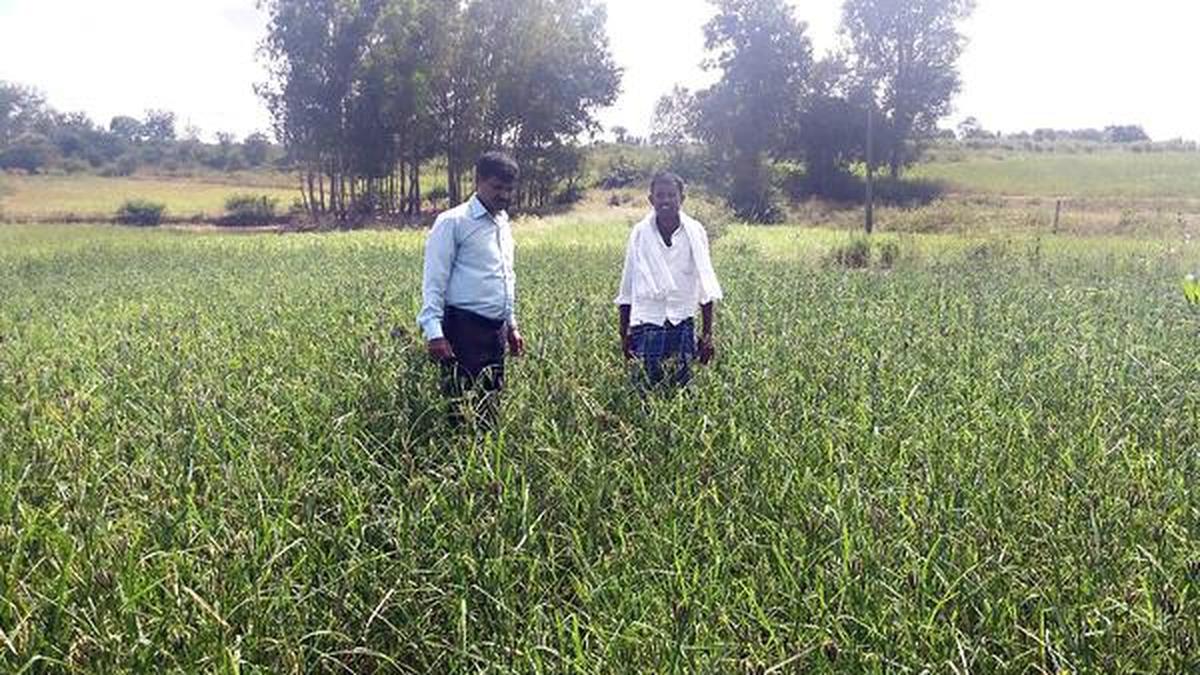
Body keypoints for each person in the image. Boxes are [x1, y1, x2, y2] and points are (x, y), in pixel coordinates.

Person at [417, 151, 525, 423]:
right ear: (478, 181)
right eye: (497, 187)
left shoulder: (502, 223)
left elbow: (506, 276)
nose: (503, 195)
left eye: (509, 189)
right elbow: (434, 280)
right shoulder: (453, 221)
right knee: (461, 412)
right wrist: (434, 333)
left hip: (495, 331)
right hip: (463, 329)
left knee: (490, 410)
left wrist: (511, 325)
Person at [615, 171, 723, 389]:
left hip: (682, 321)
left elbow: (705, 283)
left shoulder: (695, 231)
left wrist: (707, 335)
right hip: (647, 322)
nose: (665, 200)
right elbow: (628, 283)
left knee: (681, 390)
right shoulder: (640, 233)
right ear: (651, 199)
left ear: (682, 198)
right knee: (645, 390)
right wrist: (624, 332)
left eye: (671, 195)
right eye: (660, 195)